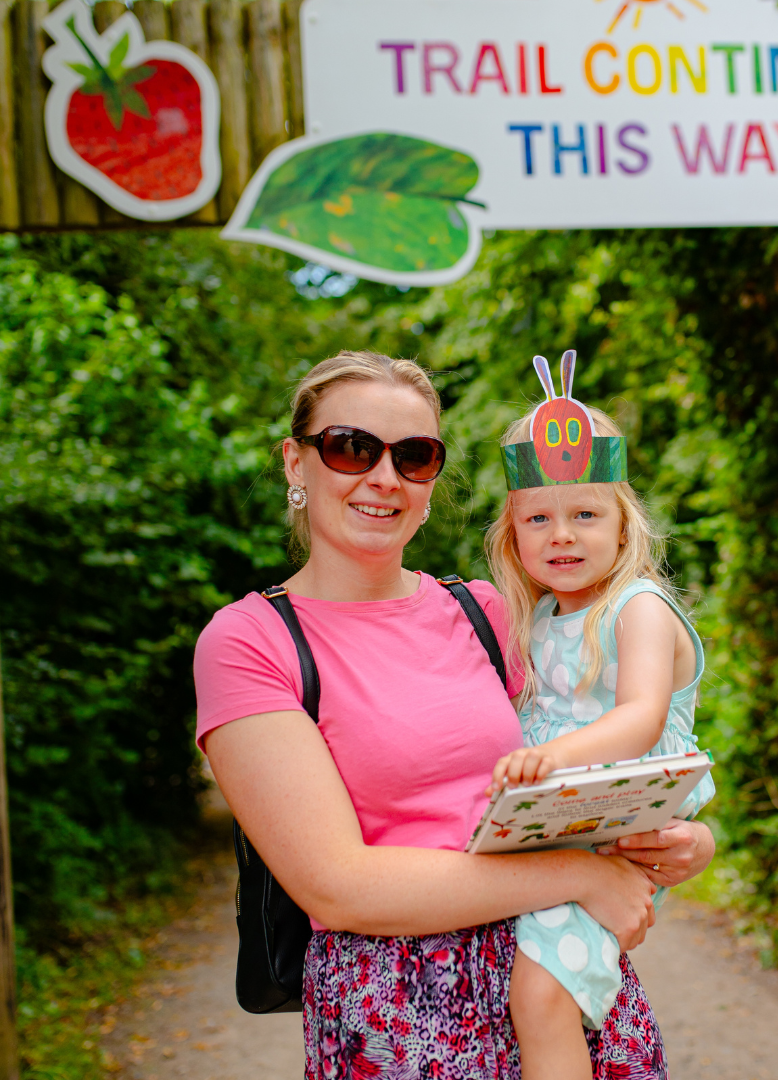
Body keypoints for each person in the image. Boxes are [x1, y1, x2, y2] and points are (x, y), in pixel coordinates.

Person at [193, 350, 716, 1080]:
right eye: (351, 447)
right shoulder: (250, 643)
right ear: (296, 462)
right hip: (401, 1014)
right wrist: (581, 878)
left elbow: (599, 750)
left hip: (559, 977)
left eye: (414, 455)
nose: (383, 477)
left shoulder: (488, 613)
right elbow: (337, 885)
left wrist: (684, 838)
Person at [483, 353, 716, 1080]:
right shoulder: (542, 617)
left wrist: (548, 761)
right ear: (514, 535)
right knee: (524, 987)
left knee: (541, 995)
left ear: (622, 526)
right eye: (540, 518)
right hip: (554, 823)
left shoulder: (637, 607)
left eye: (586, 514)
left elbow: (641, 717)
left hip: (607, 816)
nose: (562, 535)